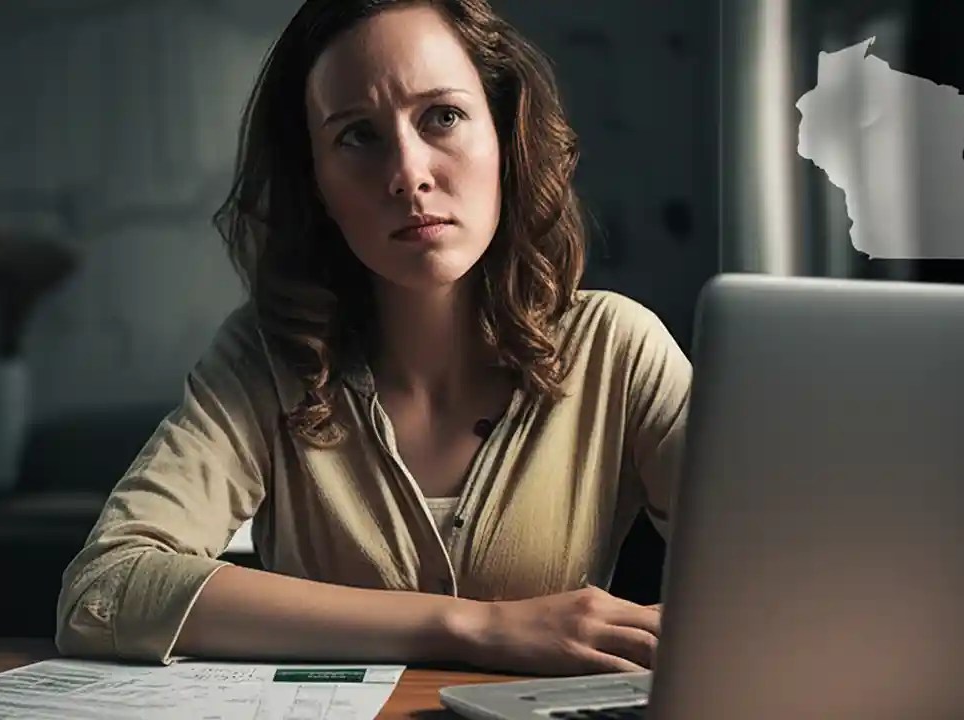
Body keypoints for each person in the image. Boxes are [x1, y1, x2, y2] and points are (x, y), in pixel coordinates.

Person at [56, 0, 691, 677]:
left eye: (442, 117)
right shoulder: (264, 360)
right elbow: (104, 589)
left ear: (506, 134)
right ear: (317, 184)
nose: (408, 174)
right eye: (357, 135)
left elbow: (785, 575)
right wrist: (475, 627)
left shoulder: (617, 349)